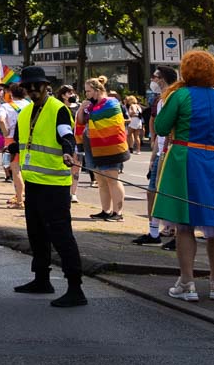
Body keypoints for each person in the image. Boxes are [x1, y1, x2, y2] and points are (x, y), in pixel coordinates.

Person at [153, 51, 214, 302]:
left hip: (185, 158)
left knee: (185, 225)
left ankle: (188, 282)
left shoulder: (179, 95)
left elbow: (160, 127)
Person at [11, 66, 86, 308]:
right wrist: (9, 151)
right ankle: (41, 279)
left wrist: (67, 152)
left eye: (37, 86)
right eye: (28, 87)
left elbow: (66, 135)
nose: (32, 90)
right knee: (37, 234)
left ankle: (75, 288)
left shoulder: (58, 109)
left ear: (46, 86)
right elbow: (20, 142)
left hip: (54, 185)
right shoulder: (25, 113)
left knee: (61, 235)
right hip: (33, 182)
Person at [132, 65, 180, 247]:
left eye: (155, 77)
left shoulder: (174, 98)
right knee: (152, 192)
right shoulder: (160, 100)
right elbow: (160, 132)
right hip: (161, 152)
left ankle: (177, 234)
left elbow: (170, 129)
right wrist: (154, 154)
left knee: (172, 195)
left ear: (163, 78)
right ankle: (153, 232)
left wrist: (165, 150)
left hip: (170, 153)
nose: (152, 80)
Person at [81, 76, 131, 221]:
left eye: (88, 91)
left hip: (110, 146)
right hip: (93, 146)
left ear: (97, 90)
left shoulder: (111, 103)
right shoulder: (90, 106)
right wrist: (82, 109)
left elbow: (109, 120)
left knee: (112, 179)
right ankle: (105, 210)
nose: (87, 95)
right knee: (101, 180)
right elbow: (81, 121)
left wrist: (91, 116)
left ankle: (118, 212)